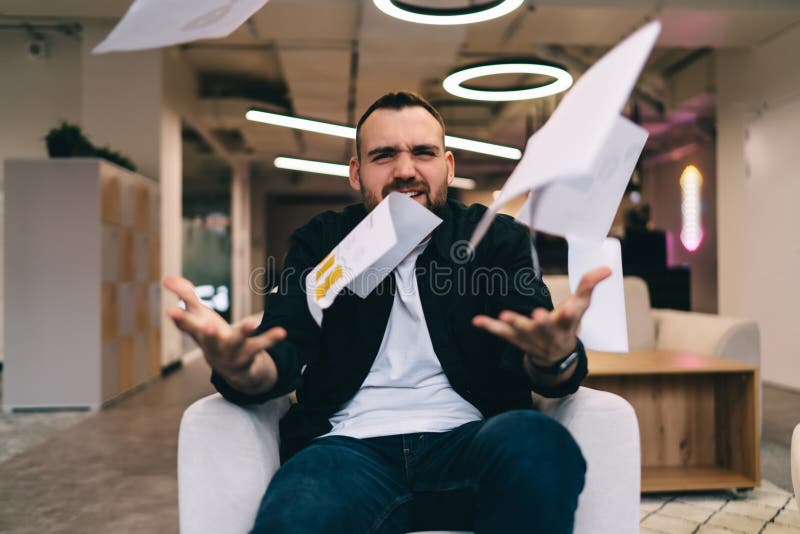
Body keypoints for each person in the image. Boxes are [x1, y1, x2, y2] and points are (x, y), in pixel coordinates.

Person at [164, 91, 611, 534]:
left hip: (468, 441)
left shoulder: (494, 238)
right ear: (356, 173)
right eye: (384, 155)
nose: (404, 170)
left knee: (537, 443)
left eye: (423, 152)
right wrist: (241, 367)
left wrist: (556, 356)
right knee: (296, 514)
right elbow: (280, 351)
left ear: (448, 166)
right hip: (345, 453)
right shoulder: (322, 243)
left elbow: (541, 357)